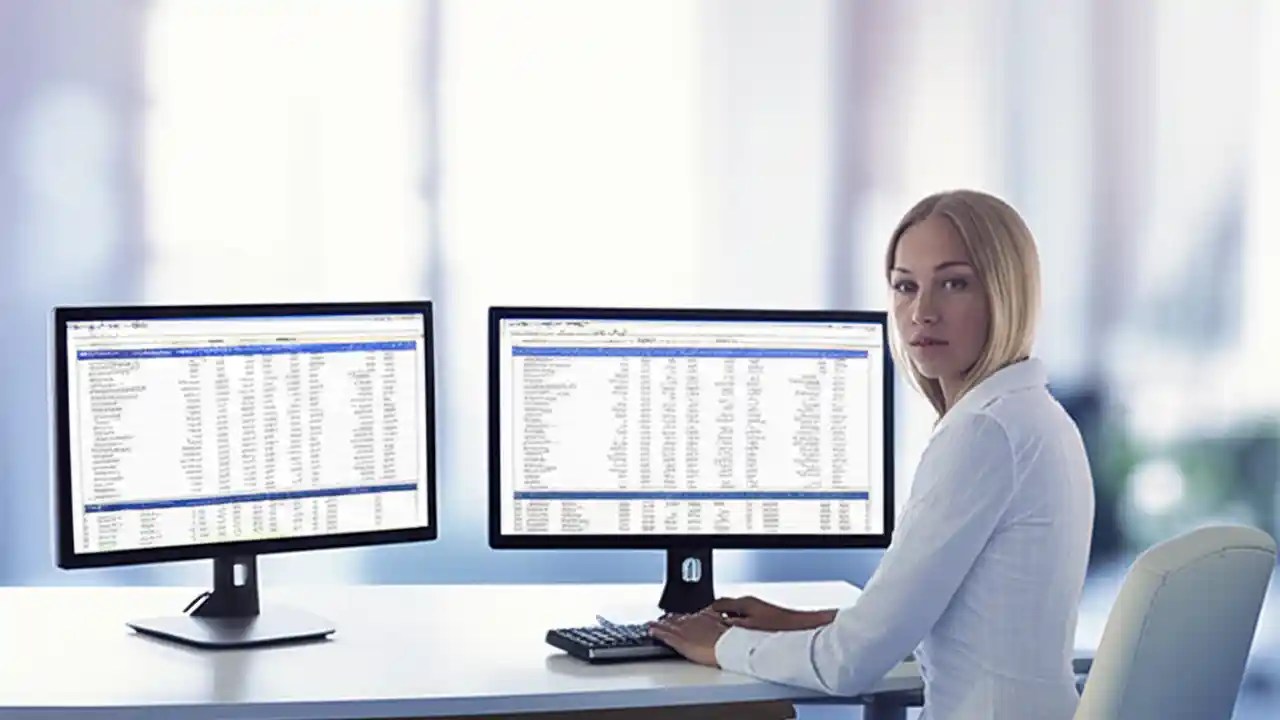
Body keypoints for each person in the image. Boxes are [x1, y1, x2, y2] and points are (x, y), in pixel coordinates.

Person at [650, 189, 1096, 719]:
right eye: (905, 286)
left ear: (1006, 293)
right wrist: (795, 621)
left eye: (954, 284)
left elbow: (849, 664)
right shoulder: (1035, 416)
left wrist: (718, 645)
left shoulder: (984, 433)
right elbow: (957, 620)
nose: (922, 312)